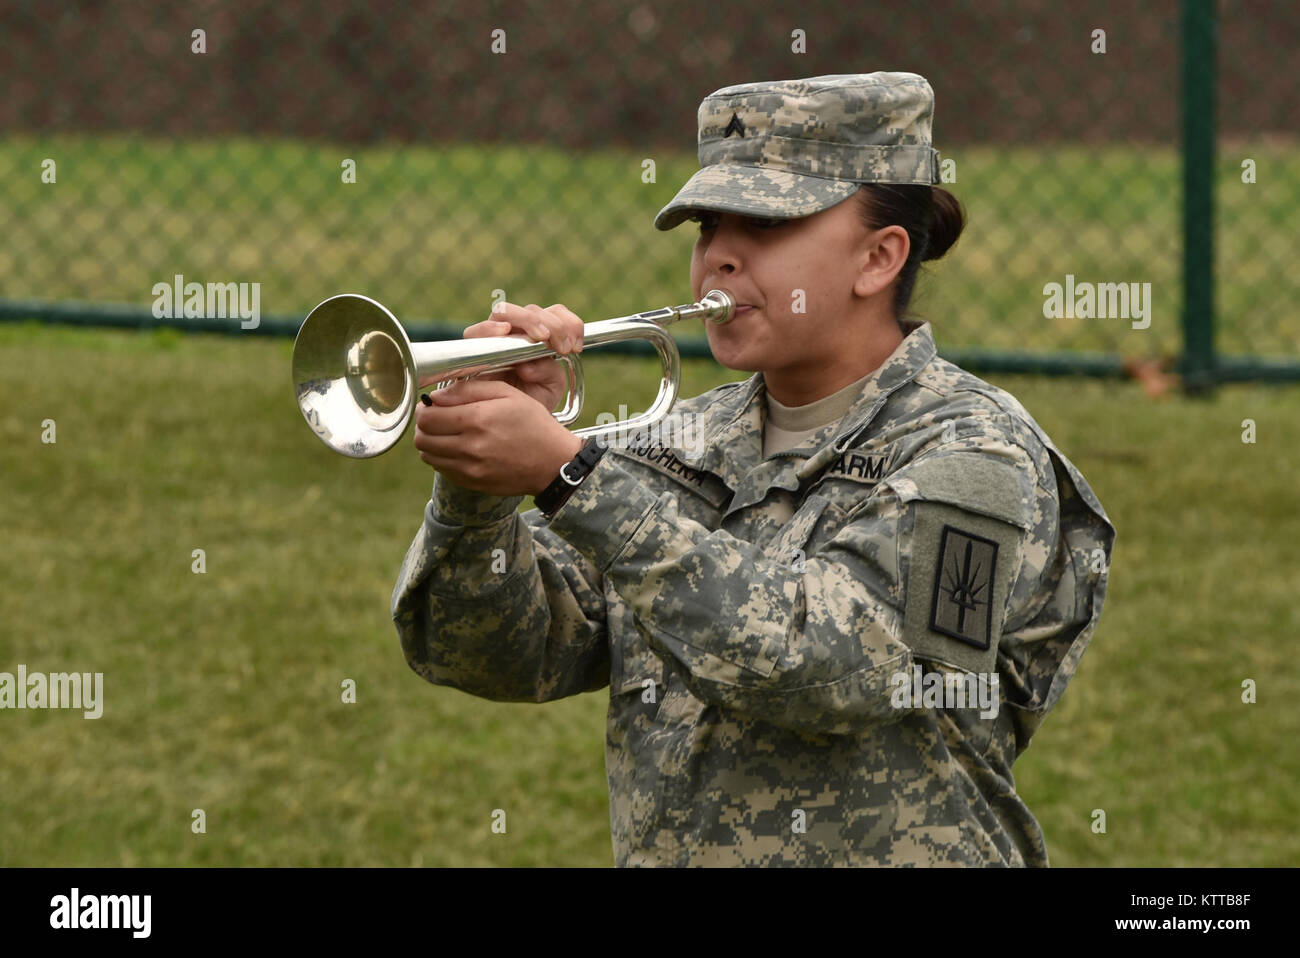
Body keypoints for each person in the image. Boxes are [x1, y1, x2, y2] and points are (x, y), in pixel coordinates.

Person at [391, 72, 1115, 866]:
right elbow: (487, 651)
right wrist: (477, 484)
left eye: (765, 226)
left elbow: (838, 672)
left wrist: (571, 476)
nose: (720, 259)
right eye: (709, 226)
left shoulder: (977, 455)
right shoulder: (677, 441)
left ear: (879, 258)